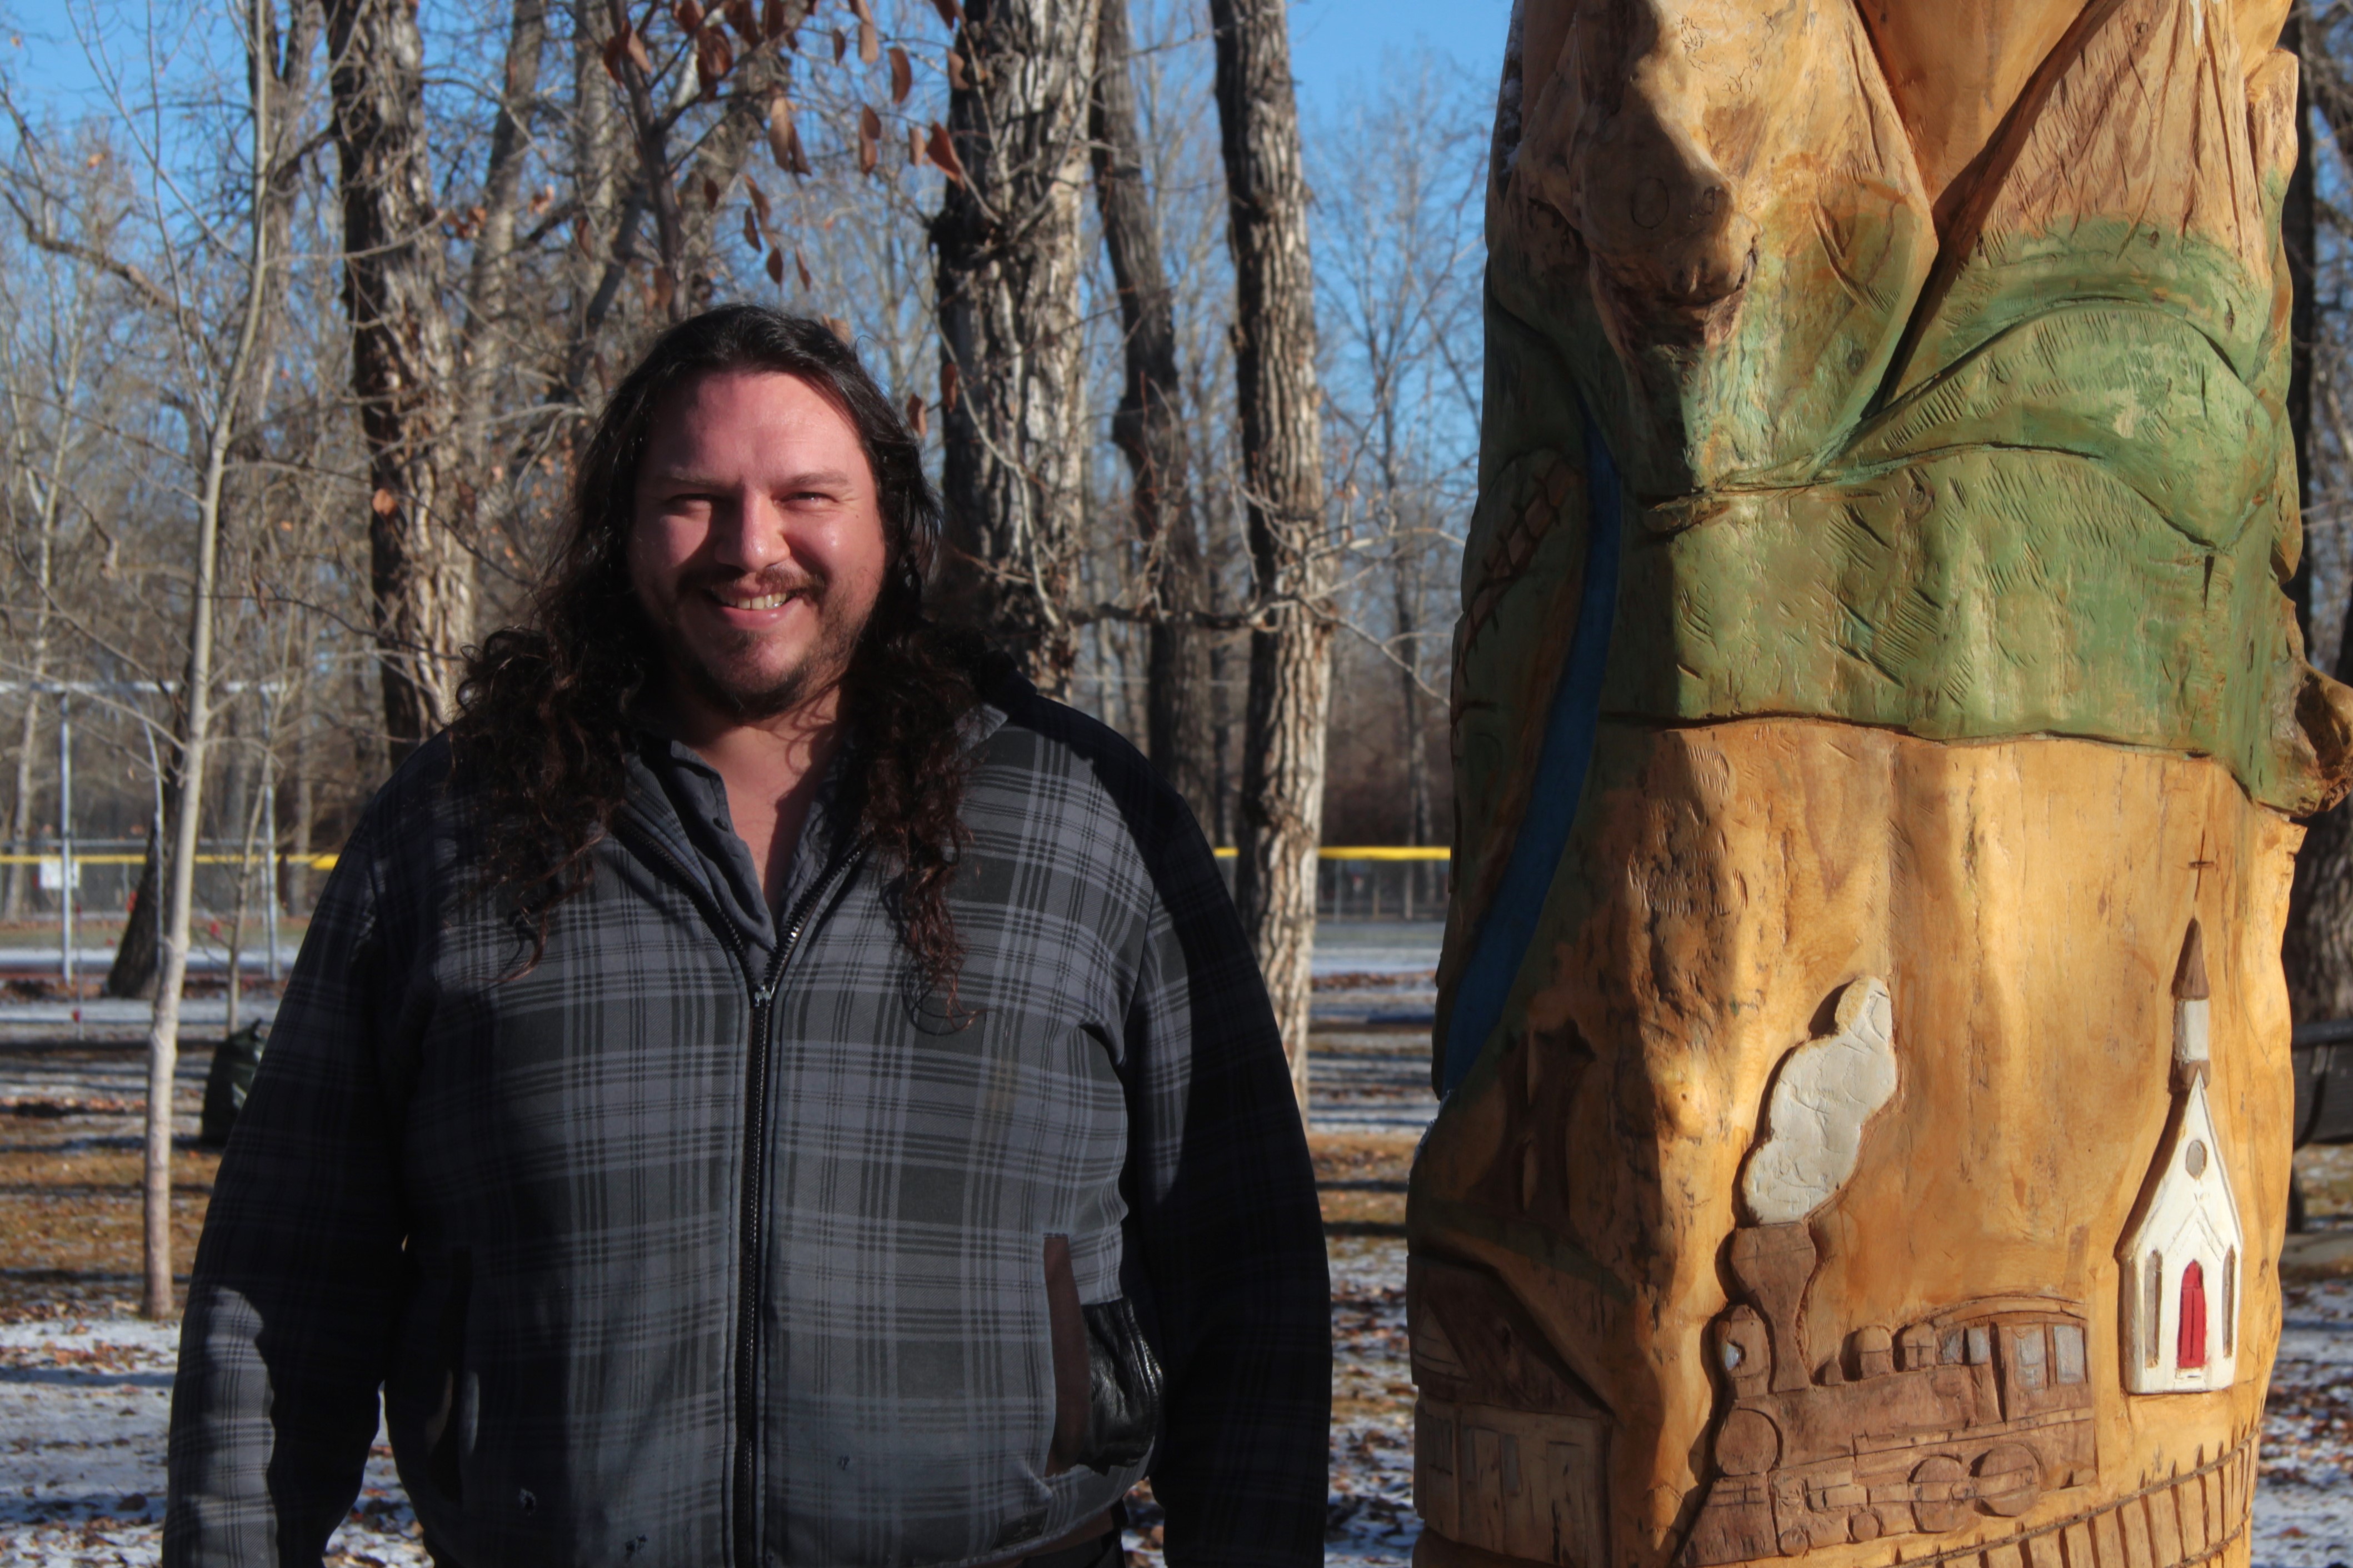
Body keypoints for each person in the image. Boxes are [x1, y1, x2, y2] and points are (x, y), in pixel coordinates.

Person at [165, 306, 1330, 1568]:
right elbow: (281, 1290)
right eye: (694, 498)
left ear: (892, 522)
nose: (750, 544)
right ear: (623, 526)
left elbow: (1249, 1269)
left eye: (807, 495)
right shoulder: (455, 832)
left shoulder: (1083, 825)